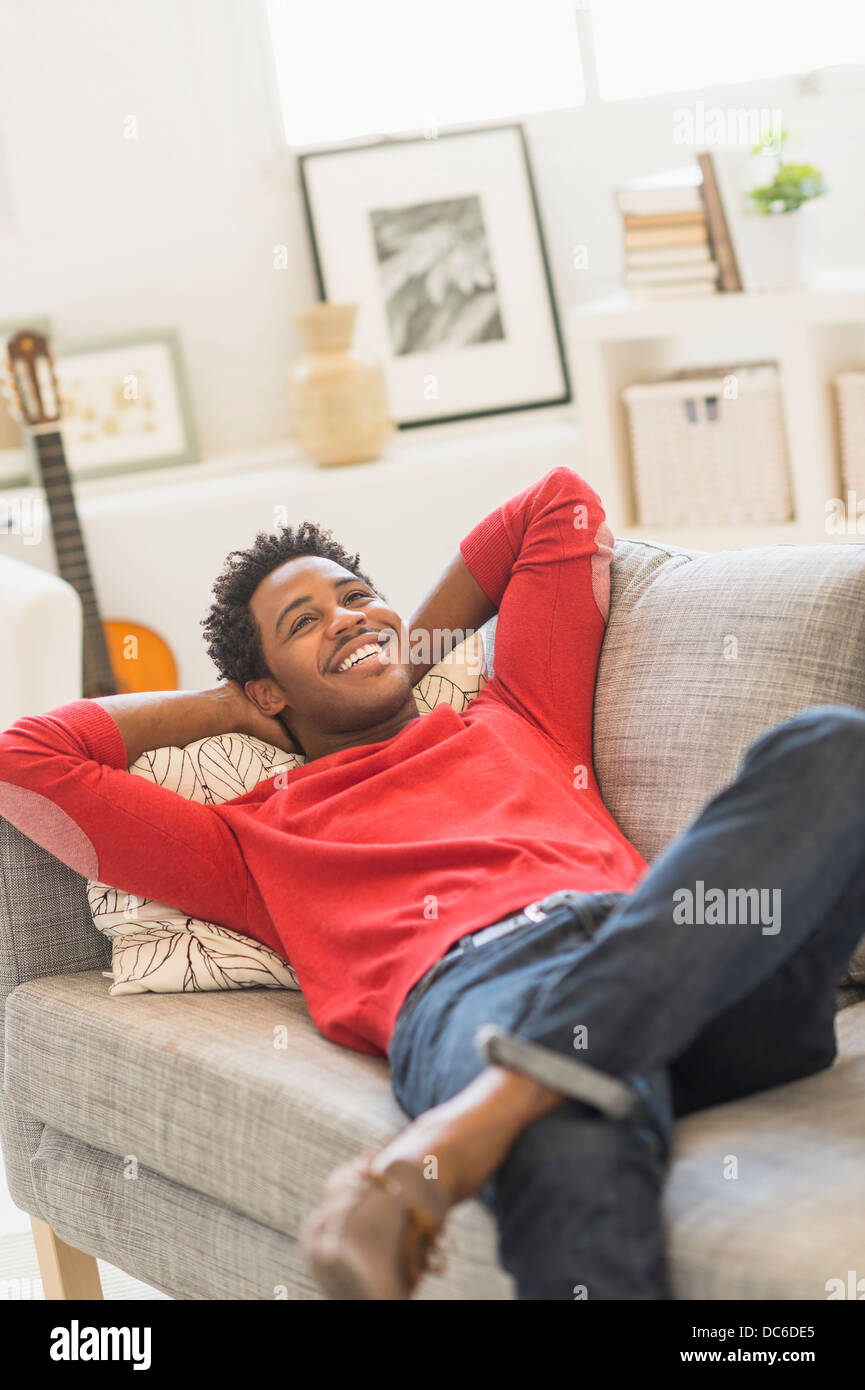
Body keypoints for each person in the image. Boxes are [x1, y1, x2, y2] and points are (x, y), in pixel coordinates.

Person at [0, 466, 863, 1302]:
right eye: (305, 622)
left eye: (354, 595)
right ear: (267, 688)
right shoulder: (247, 835)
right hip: (482, 991)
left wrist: (402, 648)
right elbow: (24, 760)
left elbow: (555, 507)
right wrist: (229, 706)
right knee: (566, 1153)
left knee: (834, 746)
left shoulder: (517, 712)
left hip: (675, 961)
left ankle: (485, 1115)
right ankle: (529, 1096)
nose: (347, 618)